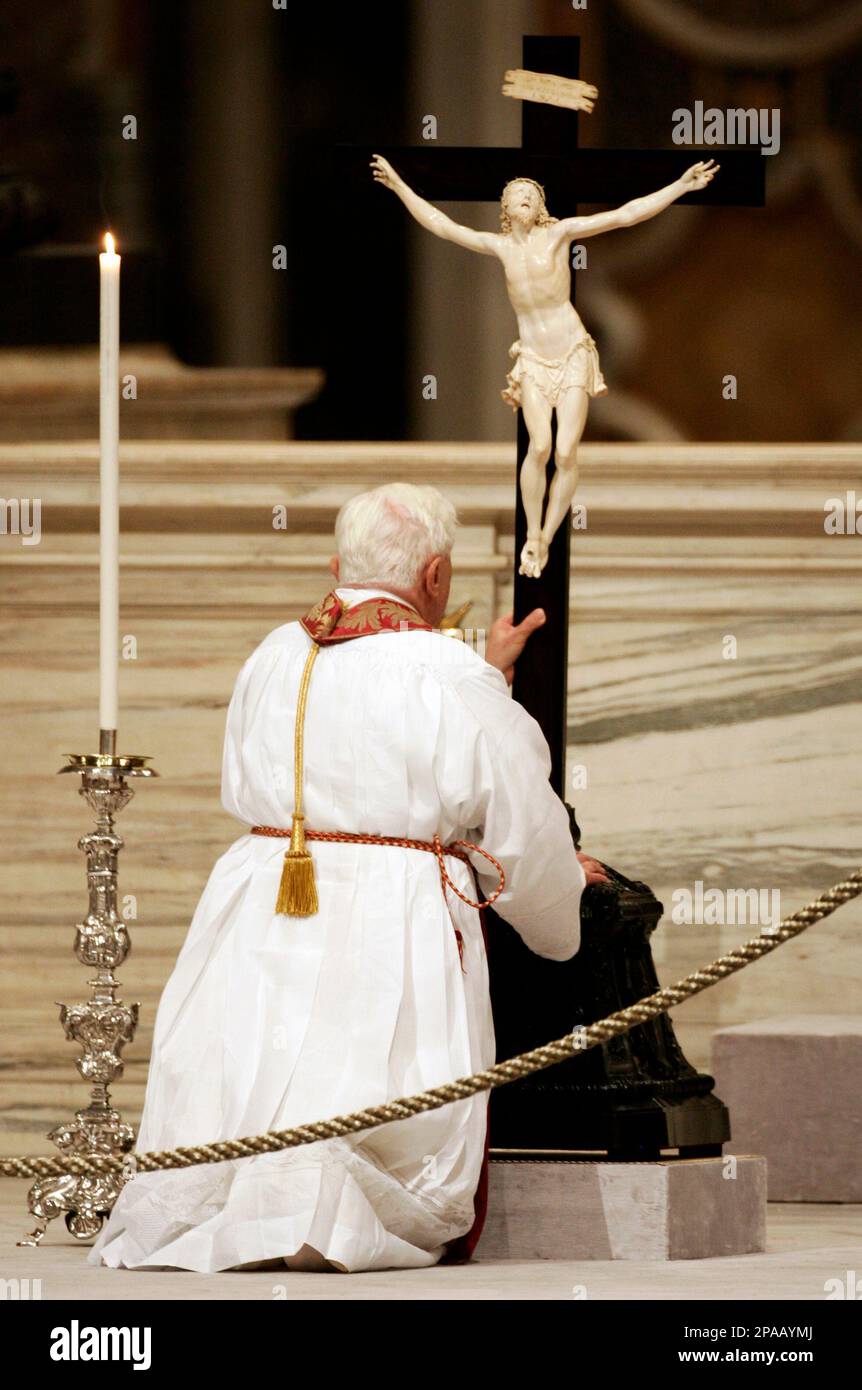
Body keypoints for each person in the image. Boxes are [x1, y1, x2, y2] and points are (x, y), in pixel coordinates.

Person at [87, 482, 607, 1274]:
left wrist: (480, 677)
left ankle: (241, 1210)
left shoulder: (273, 653)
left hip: (263, 894)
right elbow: (521, 826)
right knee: (357, 1085)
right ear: (435, 576)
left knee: (263, 1068)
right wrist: (557, 906)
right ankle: (324, 1215)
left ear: (338, 565)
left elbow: (353, 740)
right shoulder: (445, 673)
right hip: (388, 910)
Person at [371, 155, 719, 577]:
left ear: (540, 208)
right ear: (506, 207)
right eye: (517, 196)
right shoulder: (499, 247)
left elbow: (625, 215)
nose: (524, 200)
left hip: (571, 351)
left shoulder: (559, 235)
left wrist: (680, 187)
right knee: (539, 447)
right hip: (533, 357)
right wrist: (399, 185)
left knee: (567, 449)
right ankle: (531, 533)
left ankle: (547, 537)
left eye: (531, 196)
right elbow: (442, 224)